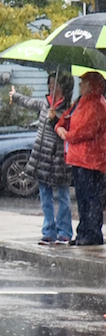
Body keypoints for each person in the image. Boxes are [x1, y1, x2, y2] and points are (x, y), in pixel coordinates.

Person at [11, 76, 74, 245]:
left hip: (59, 158)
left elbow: (68, 130)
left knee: (63, 196)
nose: (51, 86)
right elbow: (29, 102)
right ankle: (48, 231)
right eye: (50, 83)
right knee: (45, 196)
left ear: (63, 86)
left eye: (55, 83)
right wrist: (15, 96)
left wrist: (55, 118)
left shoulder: (69, 108)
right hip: (42, 156)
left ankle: (65, 231)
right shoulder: (44, 104)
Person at [57, 71, 106, 247]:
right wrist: (60, 127)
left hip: (92, 159)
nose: (80, 86)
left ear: (92, 85)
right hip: (77, 158)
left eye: (83, 82)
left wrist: (67, 134)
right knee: (82, 198)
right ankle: (83, 232)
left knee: (91, 198)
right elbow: (64, 119)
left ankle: (92, 233)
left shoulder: (98, 105)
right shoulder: (80, 102)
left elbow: (87, 130)